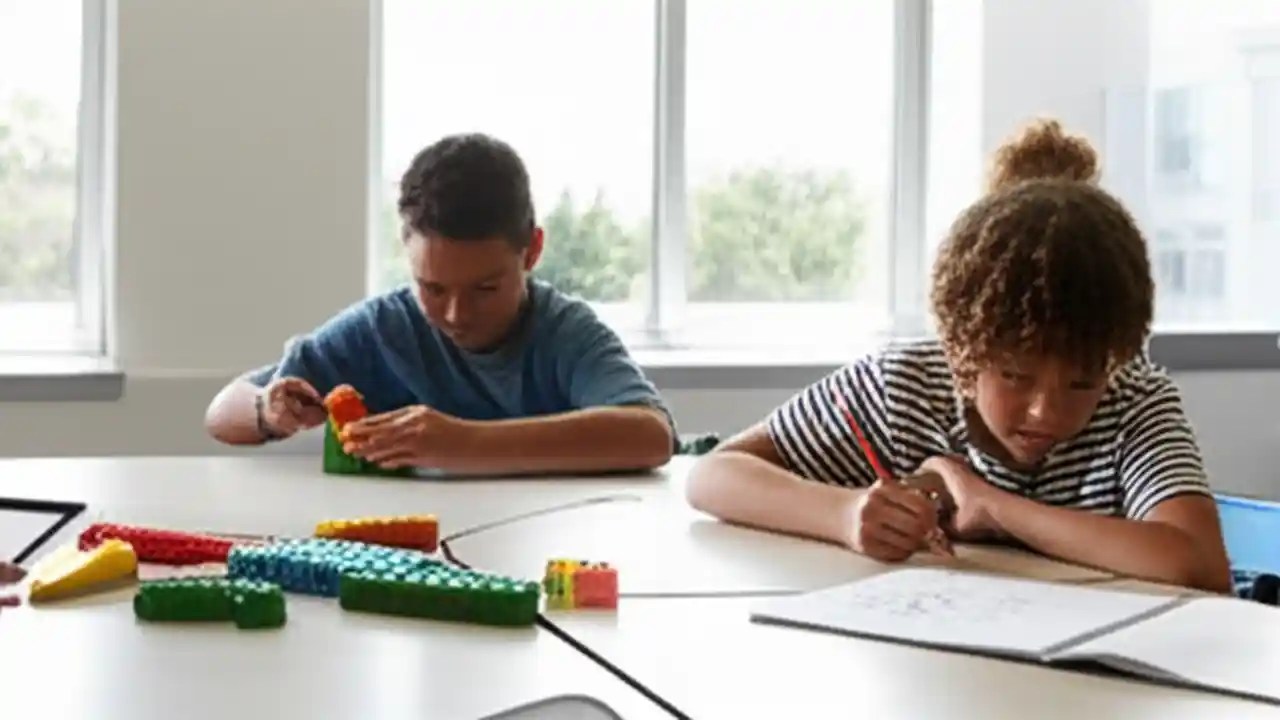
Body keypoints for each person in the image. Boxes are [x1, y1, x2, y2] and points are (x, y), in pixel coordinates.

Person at [685, 119, 1232, 592]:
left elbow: (1197, 565)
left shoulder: (1134, 399)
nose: (1045, 410)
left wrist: (989, 504)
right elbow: (714, 476)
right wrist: (845, 513)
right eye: (1015, 375)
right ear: (963, 349)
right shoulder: (906, 387)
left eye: (1081, 383)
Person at [204, 133, 674, 475]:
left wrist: (465, 444)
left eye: (485, 289)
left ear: (531, 251)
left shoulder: (564, 332)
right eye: (432, 288)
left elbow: (650, 435)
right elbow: (223, 412)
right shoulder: (384, 330)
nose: (455, 314)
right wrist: (267, 410)